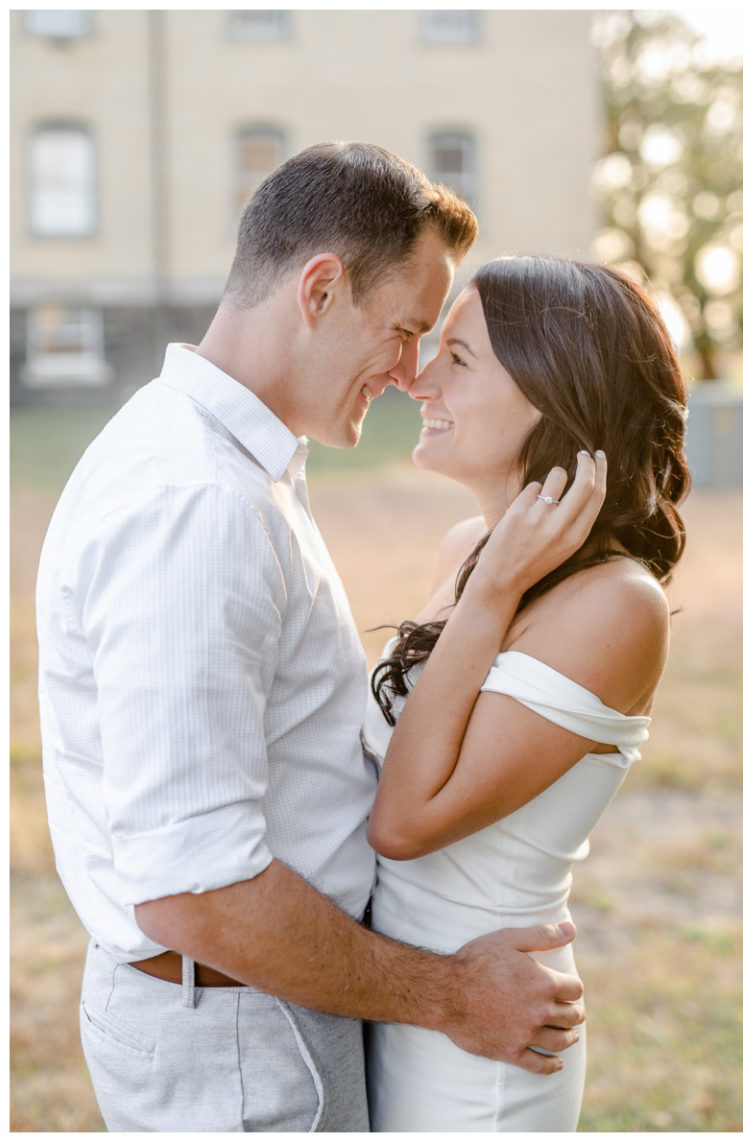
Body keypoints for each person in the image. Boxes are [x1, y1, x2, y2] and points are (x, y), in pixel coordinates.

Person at [36, 144, 599, 1133]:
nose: (413, 371)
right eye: (407, 331)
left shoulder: (230, 462)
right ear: (322, 288)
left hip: (257, 1005)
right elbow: (193, 892)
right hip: (242, 1036)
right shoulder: (196, 505)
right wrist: (453, 994)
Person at [363, 255, 691, 1131]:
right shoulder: (464, 548)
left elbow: (404, 822)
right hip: (403, 999)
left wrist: (495, 591)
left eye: (458, 359)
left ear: (555, 394)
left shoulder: (618, 605)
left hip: (487, 1053)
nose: (418, 378)